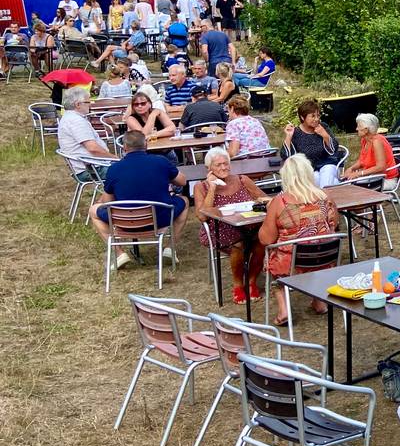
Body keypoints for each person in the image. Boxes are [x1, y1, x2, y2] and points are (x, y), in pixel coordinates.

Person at [88, 130, 189, 270]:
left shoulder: (114, 169)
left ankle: (119, 253)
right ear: (145, 145)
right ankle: (170, 248)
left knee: (93, 210)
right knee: (184, 201)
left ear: (124, 148)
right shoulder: (161, 162)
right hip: (160, 218)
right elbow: (182, 181)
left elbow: (108, 201)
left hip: (124, 221)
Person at [259, 154, 340, 323]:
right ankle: (319, 302)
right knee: (315, 245)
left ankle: (284, 310)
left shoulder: (280, 202)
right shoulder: (325, 197)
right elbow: (334, 224)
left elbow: (266, 239)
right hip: (325, 259)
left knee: (273, 254)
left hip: (292, 265)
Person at [196, 147, 269, 304]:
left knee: (261, 243)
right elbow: (202, 216)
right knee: (239, 244)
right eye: (218, 165)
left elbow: (264, 198)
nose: (223, 168)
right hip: (220, 230)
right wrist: (212, 188)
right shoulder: (201, 187)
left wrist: (257, 203)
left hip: (249, 226)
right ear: (209, 168)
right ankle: (238, 286)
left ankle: (251, 281)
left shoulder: (242, 180)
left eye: (226, 164)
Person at [58, 86, 118, 180]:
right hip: (93, 169)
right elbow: (93, 149)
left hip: (91, 166)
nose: (90, 104)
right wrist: (115, 158)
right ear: (78, 105)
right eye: (88, 102)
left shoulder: (69, 117)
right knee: (134, 170)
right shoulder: (76, 121)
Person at [282, 99, 340, 187]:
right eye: (313, 116)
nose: (316, 119)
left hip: (328, 165)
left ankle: (325, 199)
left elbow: (334, 148)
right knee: (321, 179)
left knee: (327, 170)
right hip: (309, 171)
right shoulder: (296, 133)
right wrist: (288, 136)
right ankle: (329, 194)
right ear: (302, 117)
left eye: (318, 115)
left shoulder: (323, 126)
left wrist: (325, 135)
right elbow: (287, 157)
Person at [342, 113, 399, 189]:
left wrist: (358, 174)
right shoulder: (365, 140)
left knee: (349, 188)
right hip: (372, 177)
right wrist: (351, 169)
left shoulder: (377, 141)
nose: (356, 129)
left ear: (366, 130)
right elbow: (362, 161)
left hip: (384, 179)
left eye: (358, 126)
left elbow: (381, 167)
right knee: (343, 183)